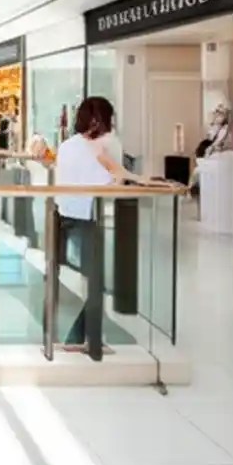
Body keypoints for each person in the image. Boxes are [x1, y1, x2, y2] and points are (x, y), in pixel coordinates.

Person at [54, 97, 163, 347]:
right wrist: (141, 179)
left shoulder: (68, 145)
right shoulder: (98, 148)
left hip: (65, 217)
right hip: (86, 219)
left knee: (92, 280)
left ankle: (85, 337)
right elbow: (116, 179)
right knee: (98, 281)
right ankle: (80, 338)